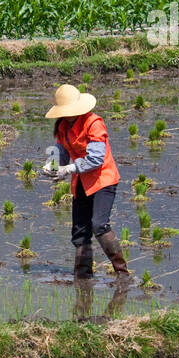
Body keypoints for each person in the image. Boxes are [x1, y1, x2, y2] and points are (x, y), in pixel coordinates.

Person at [41, 84, 129, 282]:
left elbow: (96, 159)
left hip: (102, 180)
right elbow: (61, 151)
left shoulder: (93, 123)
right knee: (80, 231)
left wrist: (68, 169)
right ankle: (83, 277)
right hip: (81, 181)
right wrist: (52, 165)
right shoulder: (63, 126)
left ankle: (122, 275)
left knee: (99, 225)